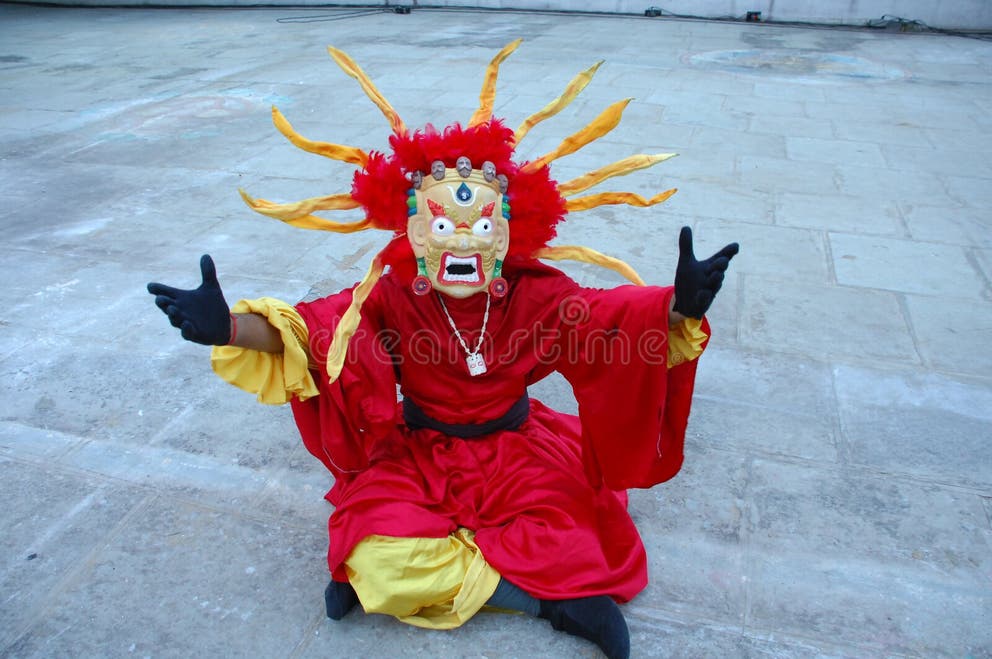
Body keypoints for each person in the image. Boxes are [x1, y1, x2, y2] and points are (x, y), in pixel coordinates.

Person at [147, 42, 738, 659]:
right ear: (414, 232)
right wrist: (230, 328)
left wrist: (680, 306)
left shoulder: (537, 293)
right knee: (378, 558)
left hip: (517, 449)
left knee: (583, 539)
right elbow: (317, 331)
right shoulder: (390, 293)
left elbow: (608, 321)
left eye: (480, 227)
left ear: (505, 233)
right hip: (416, 450)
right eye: (442, 225)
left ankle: (553, 600)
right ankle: (534, 595)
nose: (461, 241)